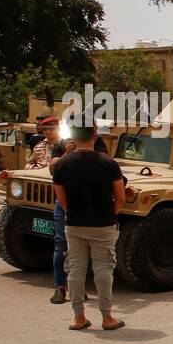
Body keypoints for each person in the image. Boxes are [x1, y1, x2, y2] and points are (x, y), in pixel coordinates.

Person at [51, 123, 126, 331]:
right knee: (103, 269)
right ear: (95, 135)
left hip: (74, 224)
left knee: (75, 269)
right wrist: (111, 214)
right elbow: (120, 197)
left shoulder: (61, 164)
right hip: (103, 224)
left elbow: (62, 200)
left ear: (72, 136)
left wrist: (73, 213)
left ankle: (78, 316)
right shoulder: (108, 163)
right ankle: (107, 317)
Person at [27, 118, 70, 303]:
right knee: (61, 243)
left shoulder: (96, 144)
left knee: (81, 247)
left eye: (51, 129)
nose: (47, 132)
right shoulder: (60, 145)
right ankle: (60, 286)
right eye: (44, 130)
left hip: (82, 199)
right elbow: (53, 168)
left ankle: (78, 287)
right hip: (60, 196)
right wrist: (68, 154)